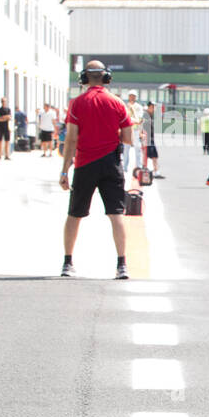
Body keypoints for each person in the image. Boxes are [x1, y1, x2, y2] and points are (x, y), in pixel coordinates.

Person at [59, 60, 134, 280]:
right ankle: (122, 265)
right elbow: (128, 138)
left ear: (84, 79)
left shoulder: (77, 103)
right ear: (106, 77)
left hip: (84, 164)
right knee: (116, 214)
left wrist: (64, 171)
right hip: (111, 163)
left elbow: (71, 139)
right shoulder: (118, 103)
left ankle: (67, 262)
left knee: (75, 214)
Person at [122, 91, 145, 175]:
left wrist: (140, 130)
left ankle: (138, 166)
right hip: (127, 129)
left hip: (135, 130)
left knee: (137, 148)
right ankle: (125, 166)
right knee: (126, 148)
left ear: (135, 97)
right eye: (130, 96)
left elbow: (139, 119)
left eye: (133, 96)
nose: (131, 97)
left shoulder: (138, 107)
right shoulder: (125, 106)